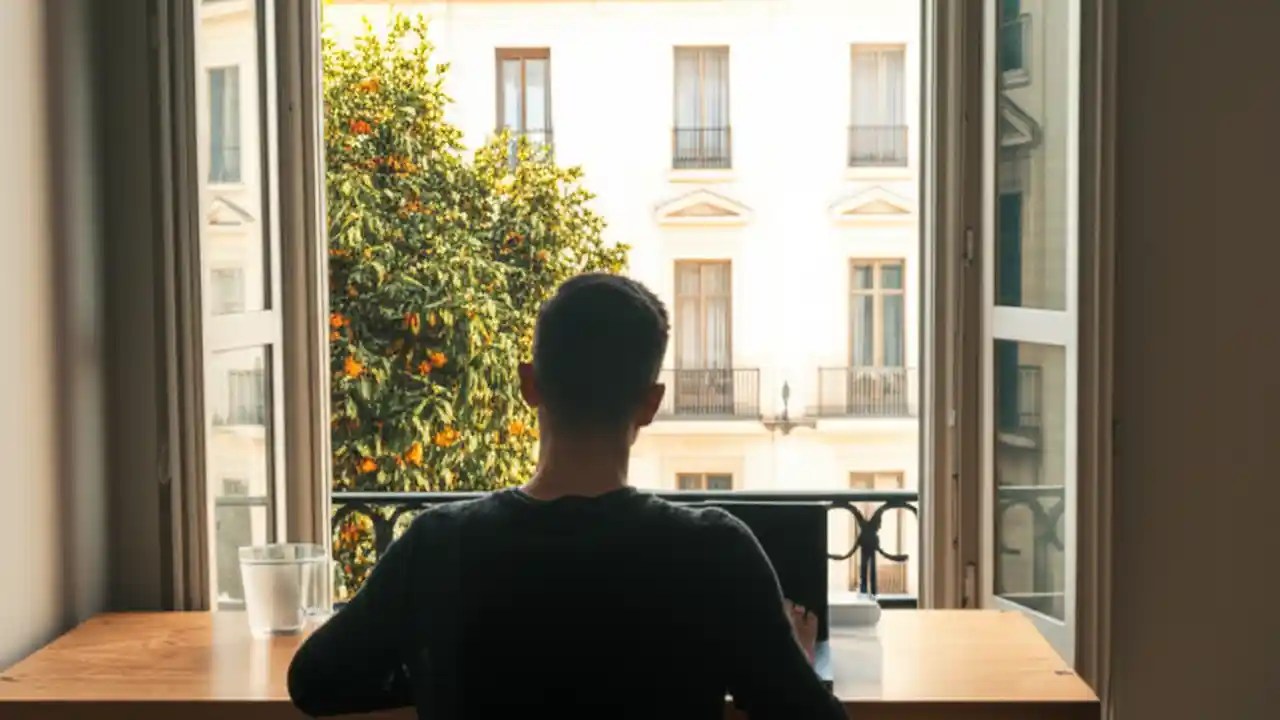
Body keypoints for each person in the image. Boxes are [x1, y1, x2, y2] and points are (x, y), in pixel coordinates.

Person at [288, 274, 846, 719]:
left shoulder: (439, 543)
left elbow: (314, 683)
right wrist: (790, 659)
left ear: (529, 383)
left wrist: (435, 665)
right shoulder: (715, 551)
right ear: (651, 404)